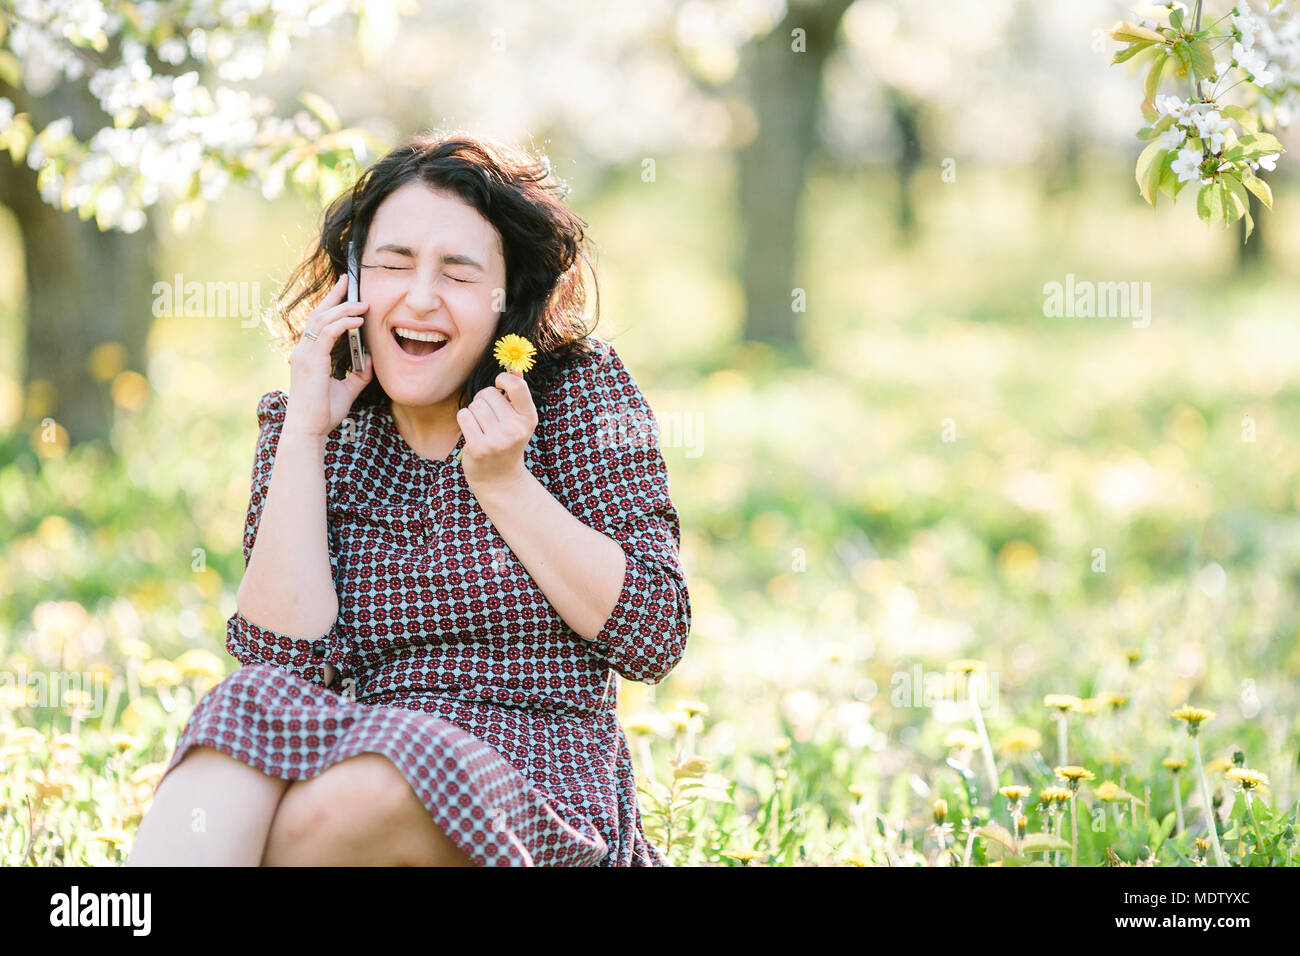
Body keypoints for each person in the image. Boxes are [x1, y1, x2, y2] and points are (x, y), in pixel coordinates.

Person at [127, 132, 691, 866]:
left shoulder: (578, 396)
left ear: (505, 297)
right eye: (393, 264)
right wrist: (305, 437)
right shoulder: (315, 423)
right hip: (361, 767)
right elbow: (280, 670)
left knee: (380, 780)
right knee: (240, 709)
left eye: (457, 274)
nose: (420, 298)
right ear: (354, 282)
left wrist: (505, 484)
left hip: (537, 785)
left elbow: (652, 636)